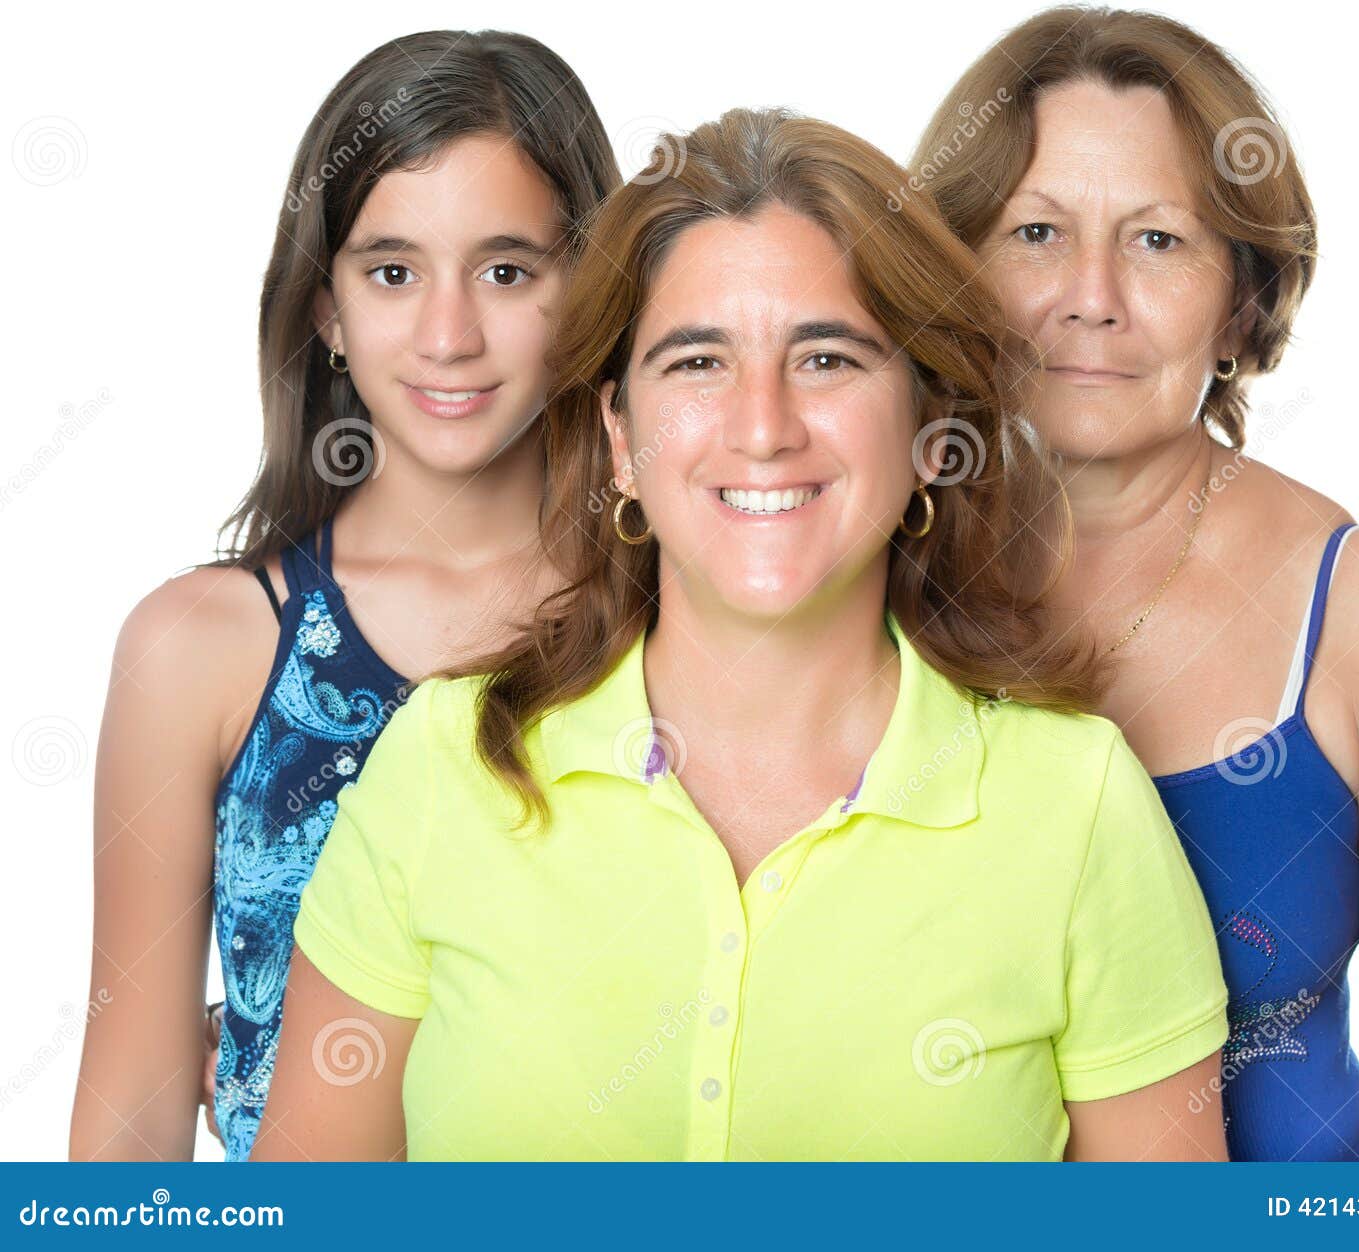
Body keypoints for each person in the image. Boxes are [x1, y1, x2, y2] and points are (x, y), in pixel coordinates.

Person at [251, 107, 1231, 1162]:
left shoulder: (1076, 803)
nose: (763, 426)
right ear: (620, 441)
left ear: (929, 432)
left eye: (826, 359)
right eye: (696, 364)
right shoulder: (445, 760)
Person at [911, 6, 1359, 1160]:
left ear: (1241, 299)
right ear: (953, 270)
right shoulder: (867, 579)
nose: (1090, 295)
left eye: (1158, 241)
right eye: (1035, 233)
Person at [69, 29, 619, 1161]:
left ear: (588, 292)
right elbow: (129, 1122)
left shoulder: (683, 619)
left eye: (508, 270)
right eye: (392, 271)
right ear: (325, 310)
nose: (449, 334)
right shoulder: (200, 650)